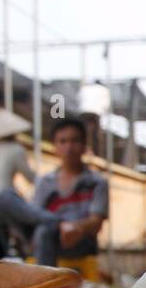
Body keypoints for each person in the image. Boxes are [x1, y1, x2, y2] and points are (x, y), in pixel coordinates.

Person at [30, 118, 109, 279]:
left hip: (79, 242)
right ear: (55, 147)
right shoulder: (45, 182)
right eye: (63, 141)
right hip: (43, 237)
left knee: (45, 232)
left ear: (84, 146)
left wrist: (75, 227)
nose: (69, 147)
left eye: (75, 141)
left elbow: (96, 221)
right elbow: (34, 215)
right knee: (5, 199)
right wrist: (59, 225)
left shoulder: (97, 182)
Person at [0, 108, 59, 255]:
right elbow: (30, 177)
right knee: (45, 220)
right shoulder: (16, 149)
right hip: (4, 199)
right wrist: (50, 183)